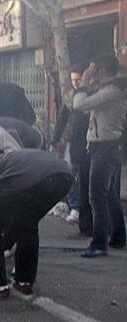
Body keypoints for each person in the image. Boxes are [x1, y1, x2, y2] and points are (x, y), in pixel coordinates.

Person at [0, 150, 73, 297]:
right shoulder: (2, 162)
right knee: (28, 223)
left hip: (30, 178)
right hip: (63, 176)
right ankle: (24, 281)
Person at [72, 55, 127, 257]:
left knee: (97, 195)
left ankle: (99, 243)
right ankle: (119, 237)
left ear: (103, 71)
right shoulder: (110, 91)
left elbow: (79, 105)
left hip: (105, 147)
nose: (89, 73)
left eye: (92, 70)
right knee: (109, 193)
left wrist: (85, 83)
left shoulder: (111, 92)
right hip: (105, 146)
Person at [52, 64, 92, 230]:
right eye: (73, 80)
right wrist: (55, 140)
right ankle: (75, 207)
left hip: (90, 142)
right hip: (72, 142)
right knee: (70, 174)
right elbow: (62, 119)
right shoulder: (70, 96)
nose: (75, 83)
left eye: (79, 79)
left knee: (85, 178)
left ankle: (84, 212)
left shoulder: (93, 95)